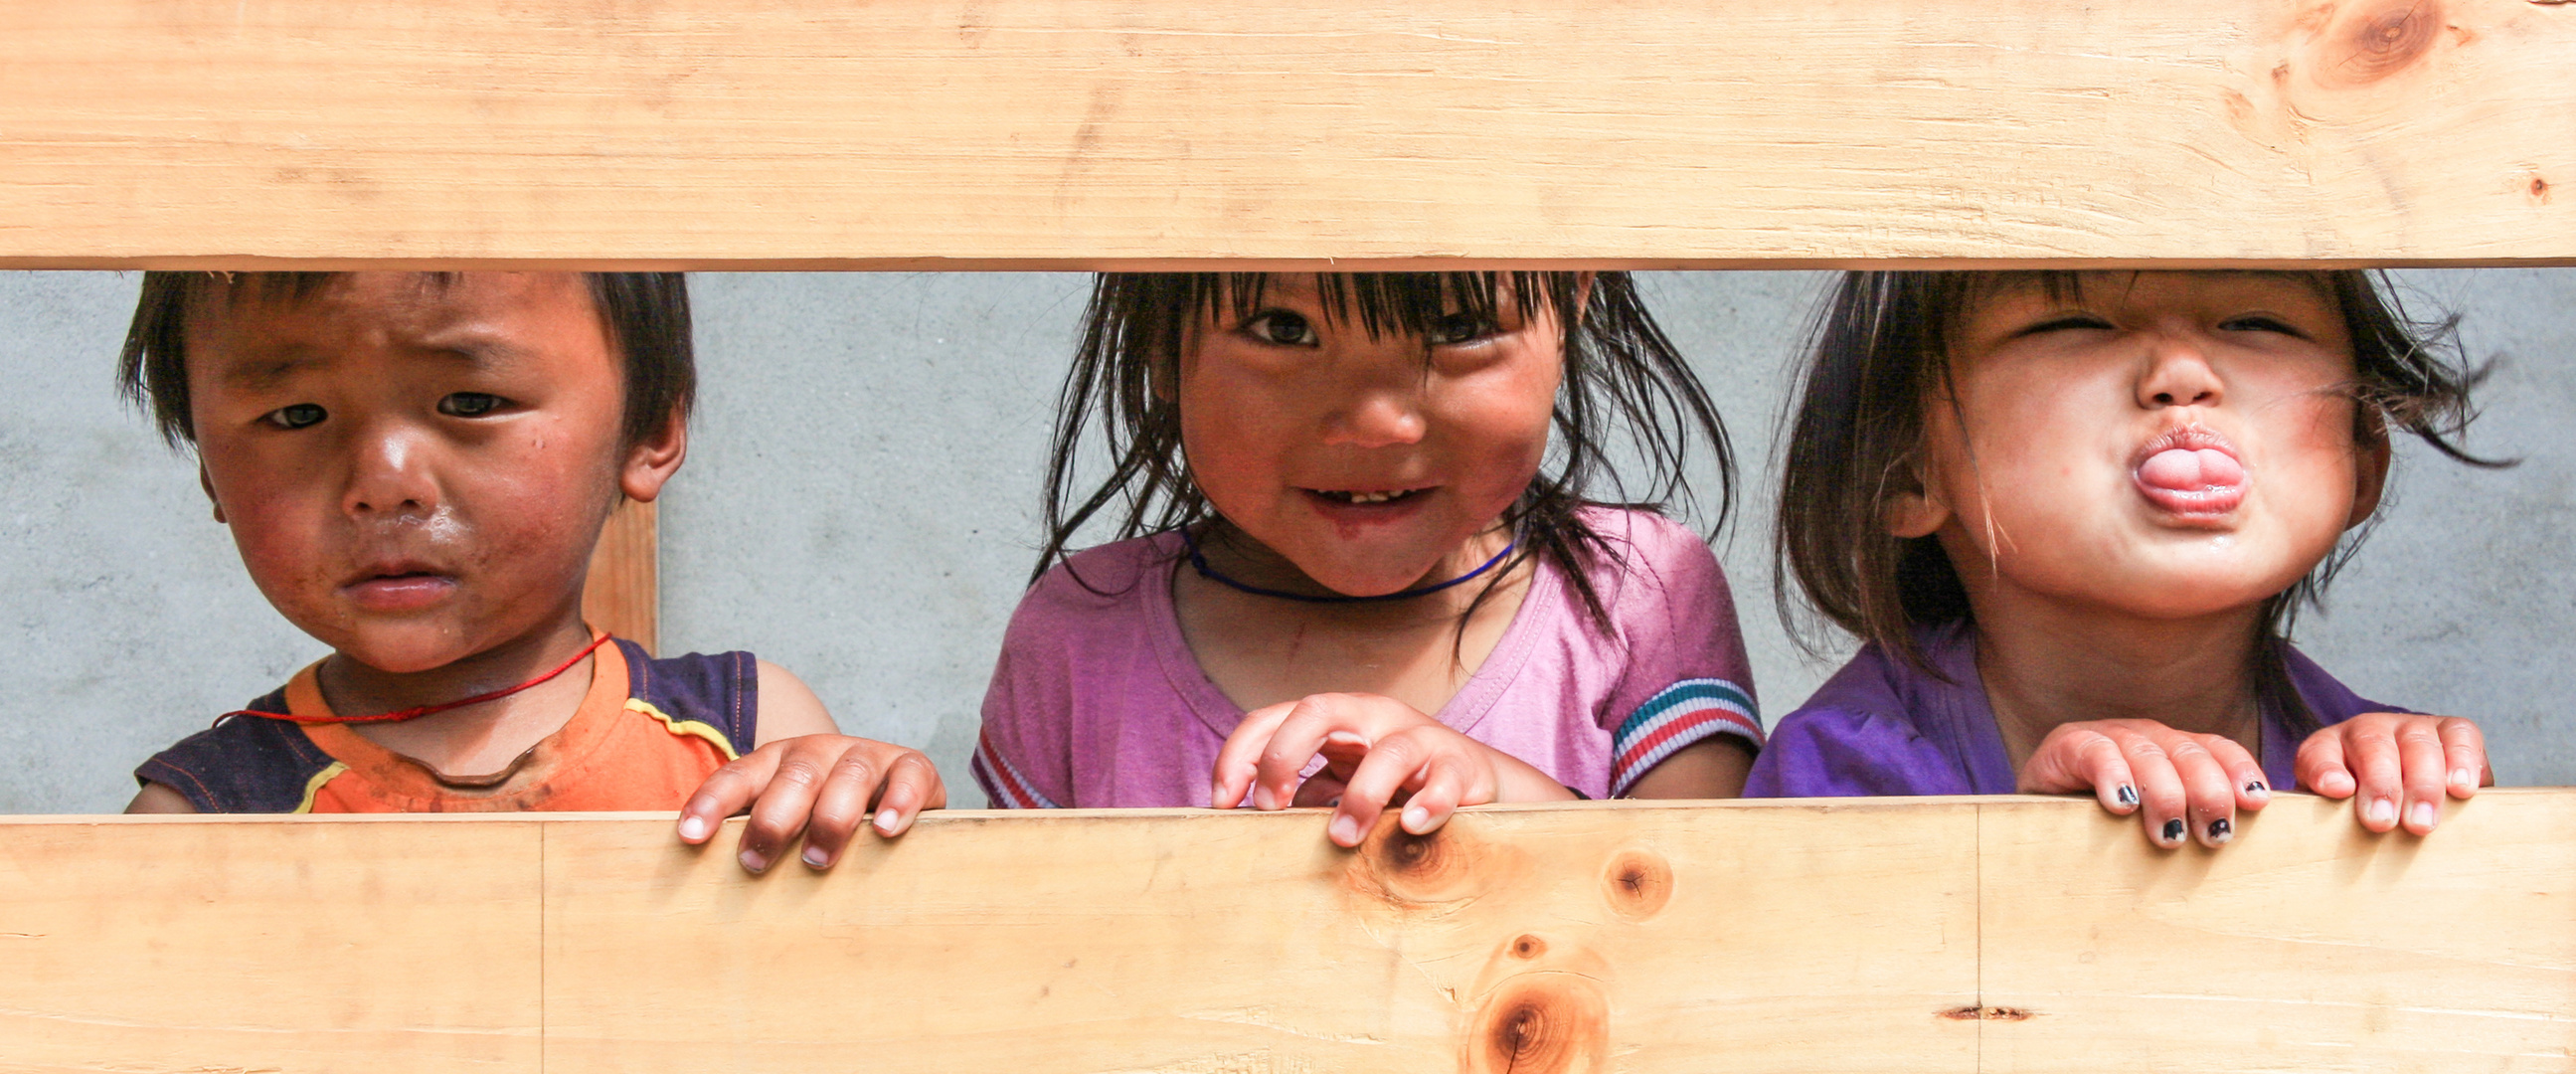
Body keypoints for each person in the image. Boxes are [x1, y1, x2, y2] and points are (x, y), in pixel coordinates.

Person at [120, 271, 942, 873]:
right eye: (296, 415)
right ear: (209, 472)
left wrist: (860, 807)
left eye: (470, 402)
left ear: (648, 433)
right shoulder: (198, 821)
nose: (383, 482)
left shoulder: (747, 738)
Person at [972, 270, 1760, 848]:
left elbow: (1704, 922)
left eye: (1459, 326)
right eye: (1283, 329)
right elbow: (1017, 958)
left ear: (1572, 297)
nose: (1378, 421)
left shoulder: (1640, 594)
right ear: (1158, 334)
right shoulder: (1080, 633)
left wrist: (1500, 795)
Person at [1747, 270, 2499, 846]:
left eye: (2256, 322)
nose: (2182, 373)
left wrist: (2430, 829)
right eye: (2074, 322)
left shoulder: (2378, 778)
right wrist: (2035, 859)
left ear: (2363, 457)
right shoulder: (1841, 774)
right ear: (1906, 470)